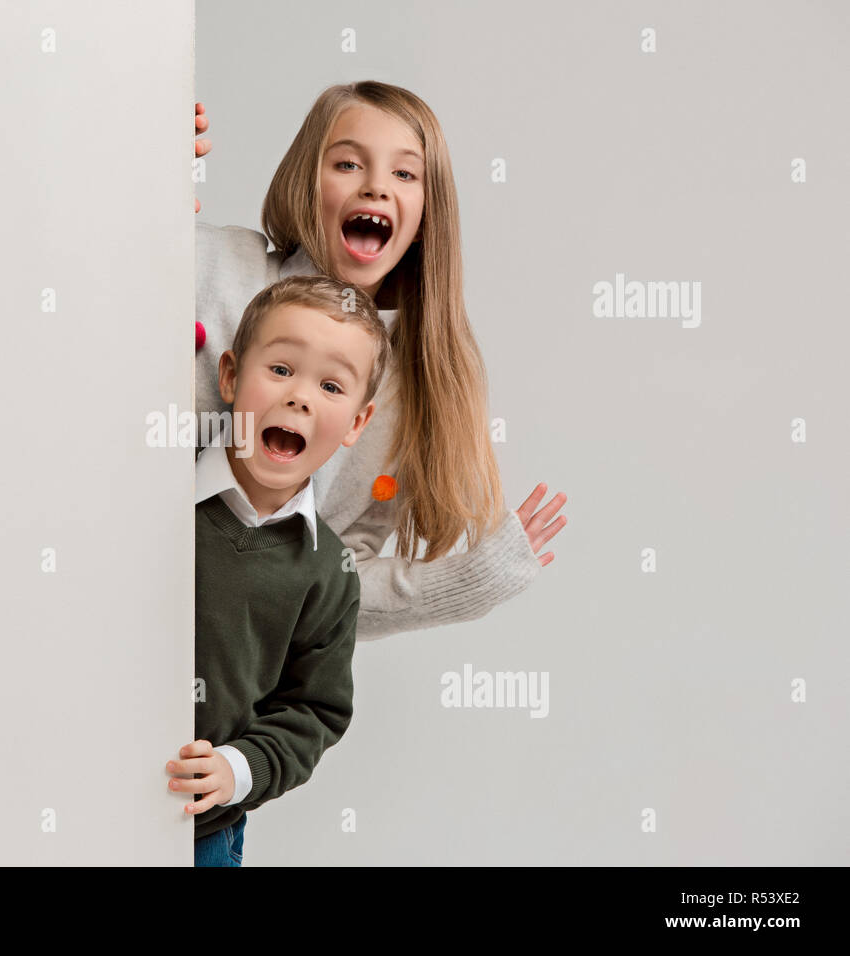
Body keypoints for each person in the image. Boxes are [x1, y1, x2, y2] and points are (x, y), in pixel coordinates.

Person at [192, 82, 568, 643]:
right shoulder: (218, 265)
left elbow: (331, 587)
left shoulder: (408, 392)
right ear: (307, 180)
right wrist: (139, 171)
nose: (375, 186)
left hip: (227, 687)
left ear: (425, 211)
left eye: (405, 174)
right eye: (347, 163)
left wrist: (470, 580)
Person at [170, 273, 391, 866]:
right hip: (80, 795)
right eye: (281, 369)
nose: (300, 397)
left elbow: (313, 710)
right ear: (229, 376)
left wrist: (235, 769)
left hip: (198, 832)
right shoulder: (152, 489)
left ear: (356, 423)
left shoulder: (329, 572)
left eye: (330, 385)